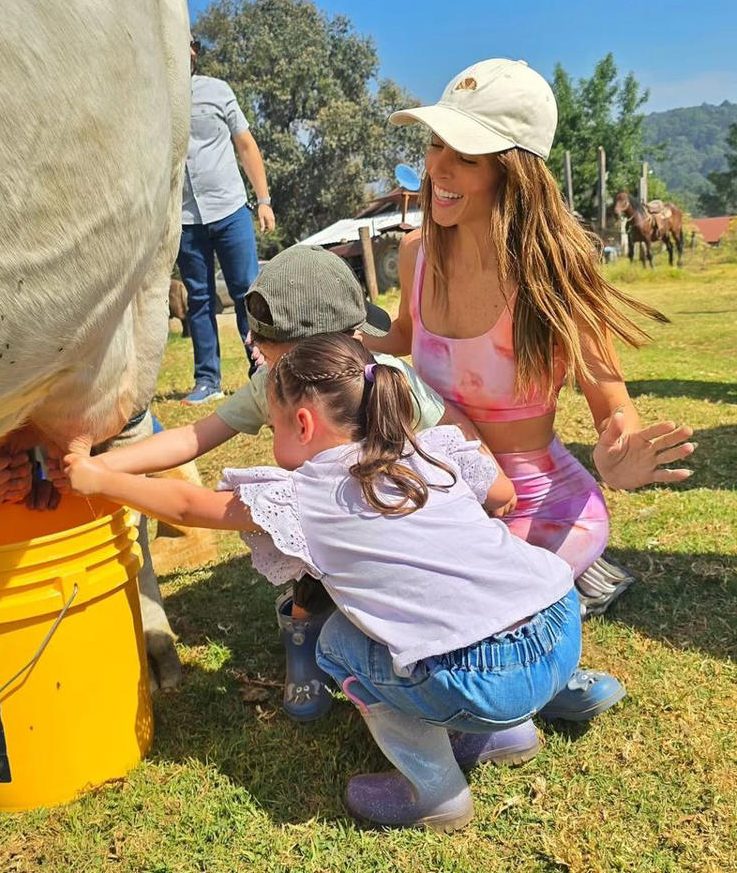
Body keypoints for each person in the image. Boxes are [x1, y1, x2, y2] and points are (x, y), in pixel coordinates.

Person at [62, 333, 582, 831]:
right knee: (470, 613)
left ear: (304, 423)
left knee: (337, 642)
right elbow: (498, 493)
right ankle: (506, 735)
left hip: (485, 678)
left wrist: (101, 479)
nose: (273, 439)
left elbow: (188, 505)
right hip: (559, 631)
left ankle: (435, 792)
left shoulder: (311, 494)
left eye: (274, 428)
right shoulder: (426, 450)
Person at [53, 245, 514, 726]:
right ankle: (306, 653)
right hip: (324, 525)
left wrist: (492, 484)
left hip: (393, 529)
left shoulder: (386, 378)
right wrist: (107, 465)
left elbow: (450, 430)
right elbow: (194, 436)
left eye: (263, 345)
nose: (257, 352)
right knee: (309, 586)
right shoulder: (275, 382)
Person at [365, 58, 694, 717]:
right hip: (436, 482)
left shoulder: (554, 270)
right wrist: (331, 346)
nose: (439, 170)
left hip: (536, 500)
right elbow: (403, 337)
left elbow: (611, 399)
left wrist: (618, 450)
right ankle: (540, 651)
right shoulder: (415, 254)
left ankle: (536, 657)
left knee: (453, 605)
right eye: (435, 146)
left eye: (467, 156)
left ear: (512, 172)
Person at [179, 39, 275, 402]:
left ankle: (263, 369)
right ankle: (207, 381)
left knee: (247, 294)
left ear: (196, 54)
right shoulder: (155, 97)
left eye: (191, 46)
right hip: (184, 217)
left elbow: (246, 145)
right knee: (199, 299)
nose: (186, 52)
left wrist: (263, 201)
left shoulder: (217, 91)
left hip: (230, 209)